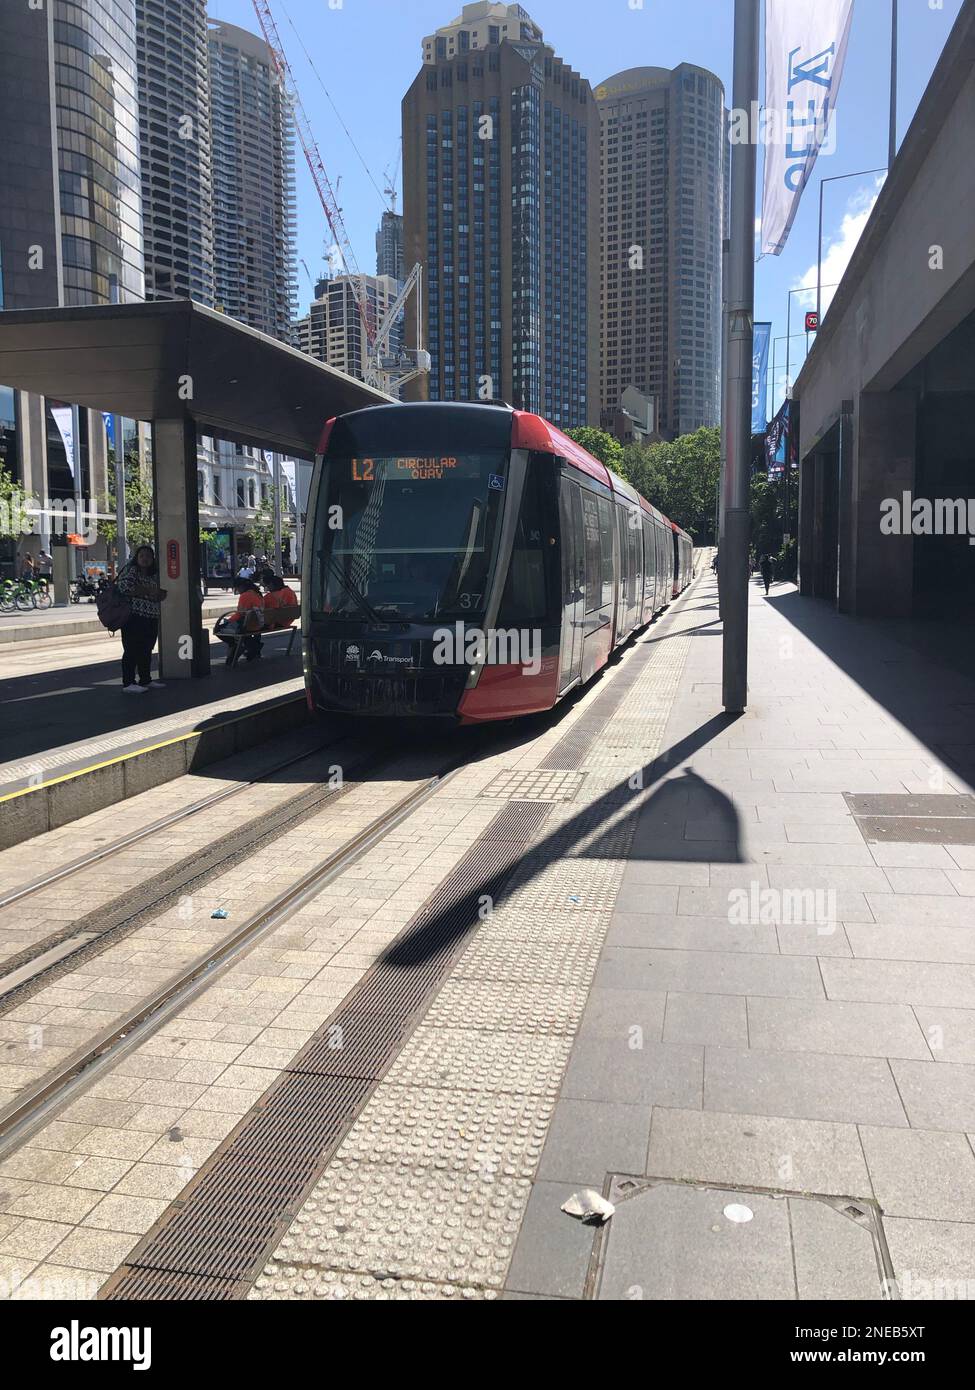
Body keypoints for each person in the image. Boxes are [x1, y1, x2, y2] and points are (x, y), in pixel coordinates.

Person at [116, 545, 167, 692]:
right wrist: (147, 591)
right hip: (133, 617)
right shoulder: (131, 570)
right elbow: (124, 587)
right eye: (142, 556)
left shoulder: (154, 574)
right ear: (136, 558)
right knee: (131, 649)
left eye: (148, 556)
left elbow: (159, 593)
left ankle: (145, 679)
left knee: (146, 649)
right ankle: (128, 682)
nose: (145, 559)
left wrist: (158, 593)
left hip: (151, 616)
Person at [219, 577, 264, 663]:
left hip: (248, 625)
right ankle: (251, 646)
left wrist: (228, 621)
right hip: (258, 623)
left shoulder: (245, 596)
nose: (237, 590)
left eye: (236, 588)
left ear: (241, 587)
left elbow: (240, 613)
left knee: (219, 629)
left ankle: (246, 645)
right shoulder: (258, 594)